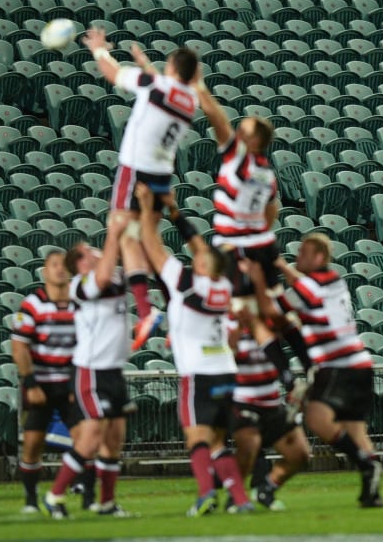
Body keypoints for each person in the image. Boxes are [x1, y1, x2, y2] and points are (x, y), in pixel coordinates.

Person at [134, 183, 254, 516]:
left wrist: (147, 207)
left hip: (197, 372)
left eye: (198, 258)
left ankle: (205, 495)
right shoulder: (223, 285)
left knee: (197, 439)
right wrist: (175, 213)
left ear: (203, 265)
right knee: (218, 441)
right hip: (225, 371)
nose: (195, 255)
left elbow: (151, 245)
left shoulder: (184, 283)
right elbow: (203, 250)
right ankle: (240, 499)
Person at [245, 233, 383, 508]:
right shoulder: (334, 281)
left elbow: (270, 310)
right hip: (360, 365)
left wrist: (265, 272)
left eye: (304, 254)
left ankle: (364, 463)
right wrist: (279, 268)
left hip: (339, 365)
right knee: (356, 431)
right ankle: (372, 488)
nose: (299, 259)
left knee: (316, 419)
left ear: (319, 257)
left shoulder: (314, 285)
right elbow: (292, 299)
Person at [83, 27, 203, 342]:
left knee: (125, 237)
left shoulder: (157, 85)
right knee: (151, 244)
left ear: (173, 68)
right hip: (162, 177)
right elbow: (161, 90)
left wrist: (98, 49)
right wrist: (147, 64)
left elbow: (113, 73)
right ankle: (176, 305)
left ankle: (147, 312)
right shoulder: (190, 100)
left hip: (135, 171)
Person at [197, 86, 313, 373]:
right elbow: (271, 211)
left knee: (242, 313)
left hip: (237, 248)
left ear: (254, 141)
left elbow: (215, 117)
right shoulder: (266, 172)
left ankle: (265, 371)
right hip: (260, 244)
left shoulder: (238, 159)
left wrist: (197, 86)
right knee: (272, 311)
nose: (239, 133)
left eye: (245, 131)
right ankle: (308, 366)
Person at [43, 214, 133, 519]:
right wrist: (114, 233)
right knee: (92, 437)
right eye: (89, 251)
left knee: (112, 441)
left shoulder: (112, 275)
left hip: (113, 371)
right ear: (80, 263)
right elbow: (105, 273)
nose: (96, 252)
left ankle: (106, 503)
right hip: (91, 372)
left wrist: (131, 229)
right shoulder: (82, 285)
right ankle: (54, 496)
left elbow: (130, 264)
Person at [12, 251, 95, 512]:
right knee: (33, 444)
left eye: (64, 266)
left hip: (71, 384)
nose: (60, 270)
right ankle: (30, 500)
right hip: (42, 384)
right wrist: (31, 383)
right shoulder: (33, 304)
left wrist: (78, 383)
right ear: (45, 272)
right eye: (54, 265)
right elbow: (19, 347)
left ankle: (89, 499)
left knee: (86, 442)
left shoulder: (80, 304)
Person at [230, 299, 311, 511]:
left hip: (271, 400)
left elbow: (297, 334)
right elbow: (226, 352)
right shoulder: (227, 318)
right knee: (249, 447)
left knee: (300, 454)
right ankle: (235, 496)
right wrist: (240, 324)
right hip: (242, 399)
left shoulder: (270, 319)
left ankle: (266, 487)